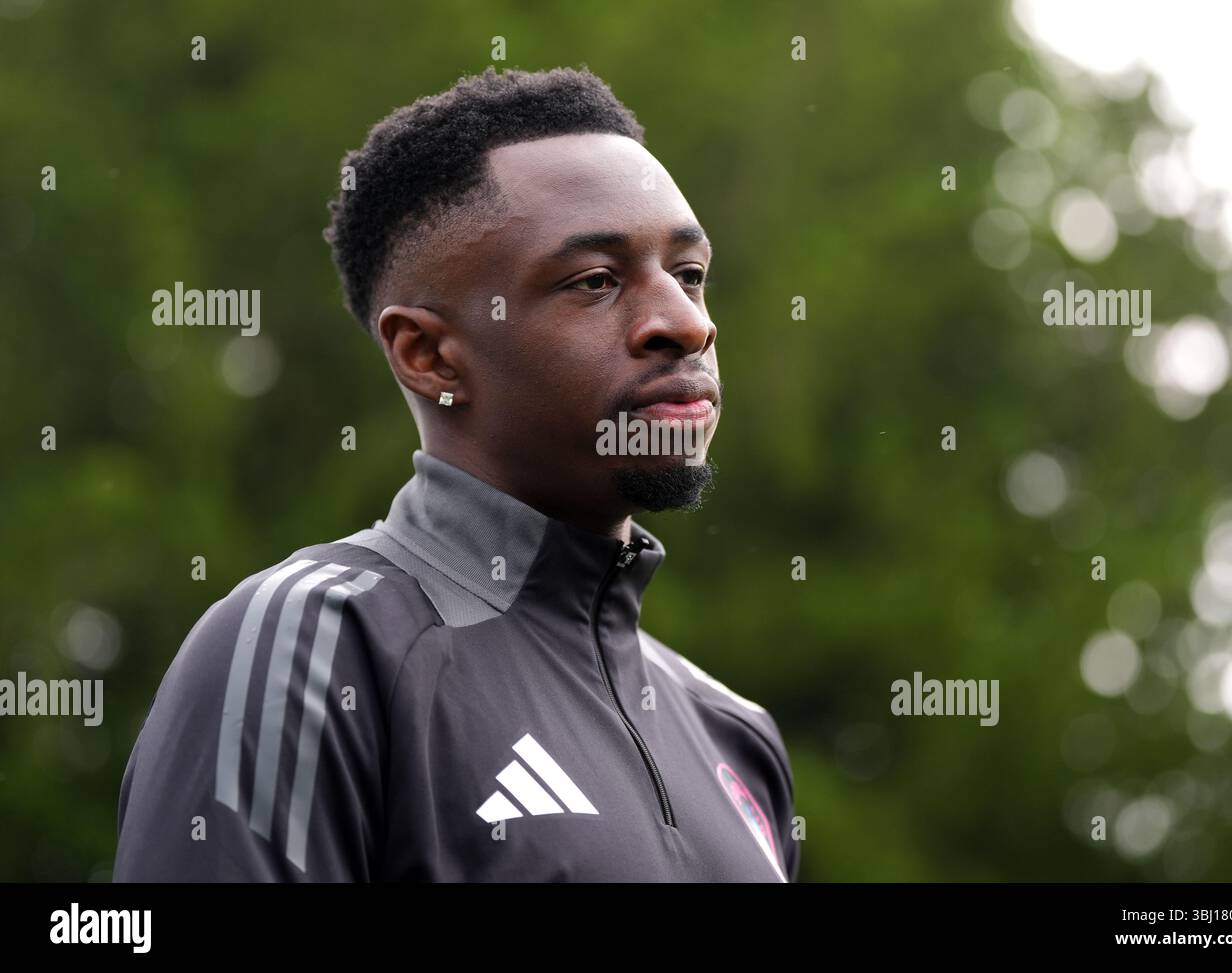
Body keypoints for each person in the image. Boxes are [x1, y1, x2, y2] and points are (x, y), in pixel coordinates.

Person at [113, 65, 799, 882]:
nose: (688, 325)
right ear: (429, 354)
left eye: (688, 274)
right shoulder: (315, 648)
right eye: (596, 282)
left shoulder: (733, 733)